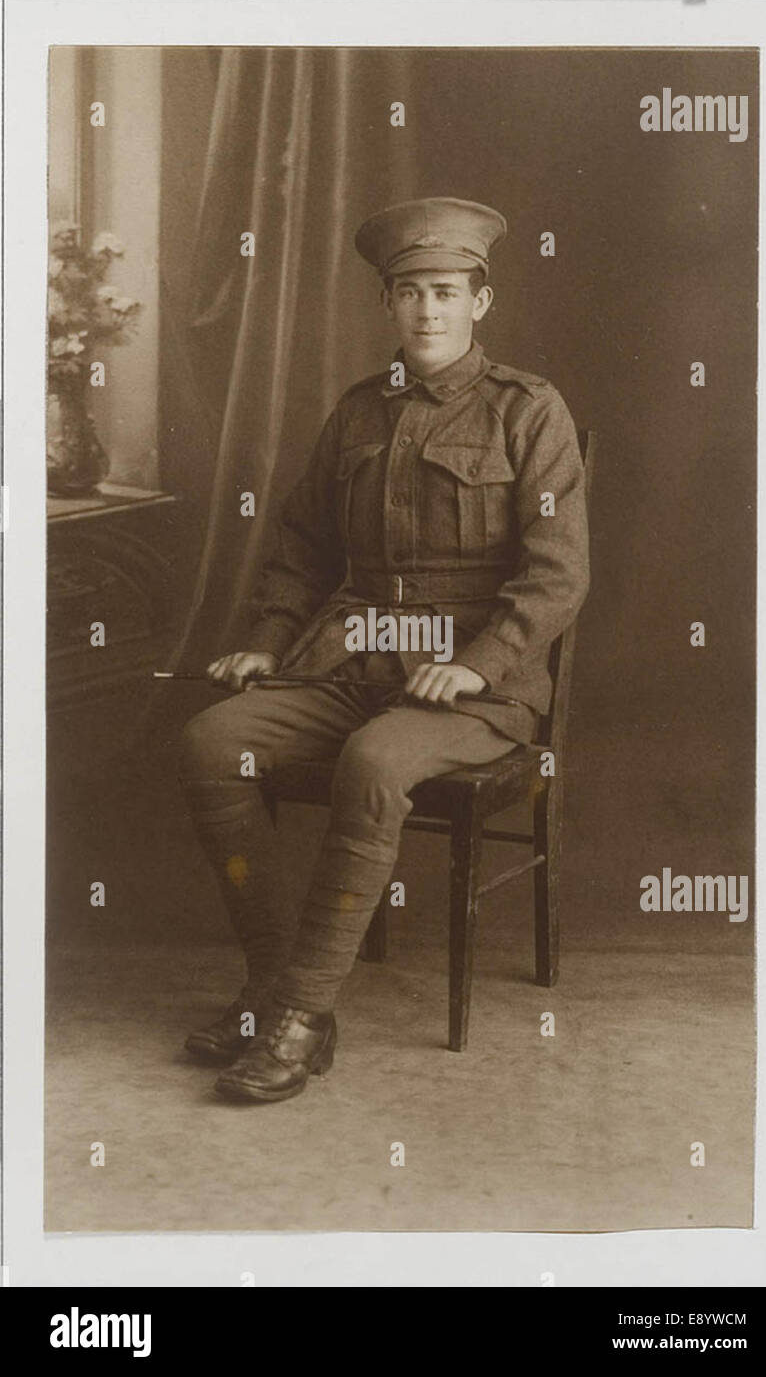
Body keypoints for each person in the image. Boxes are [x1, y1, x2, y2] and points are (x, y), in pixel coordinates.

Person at [179, 197, 590, 1104]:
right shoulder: (360, 413)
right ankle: (272, 983)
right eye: (408, 292)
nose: (427, 311)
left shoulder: (530, 411)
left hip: (481, 687)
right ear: (387, 305)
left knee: (373, 763)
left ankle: (299, 1016)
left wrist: (479, 661)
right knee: (213, 740)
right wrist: (264, 641)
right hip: (353, 659)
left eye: (445, 291)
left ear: (481, 301)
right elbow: (300, 548)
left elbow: (556, 576)